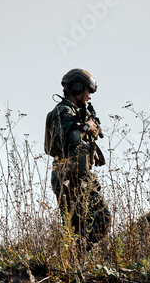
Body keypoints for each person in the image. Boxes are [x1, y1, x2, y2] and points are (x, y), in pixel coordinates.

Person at [44, 69, 112, 251]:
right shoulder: (63, 111)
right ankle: (74, 260)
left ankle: (77, 259)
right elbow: (64, 142)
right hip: (68, 177)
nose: (89, 96)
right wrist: (86, 127)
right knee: (84, 225)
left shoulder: (76, 112)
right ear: (77, 87)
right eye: (87, 91)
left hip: (81, 177)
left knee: (90, 224)